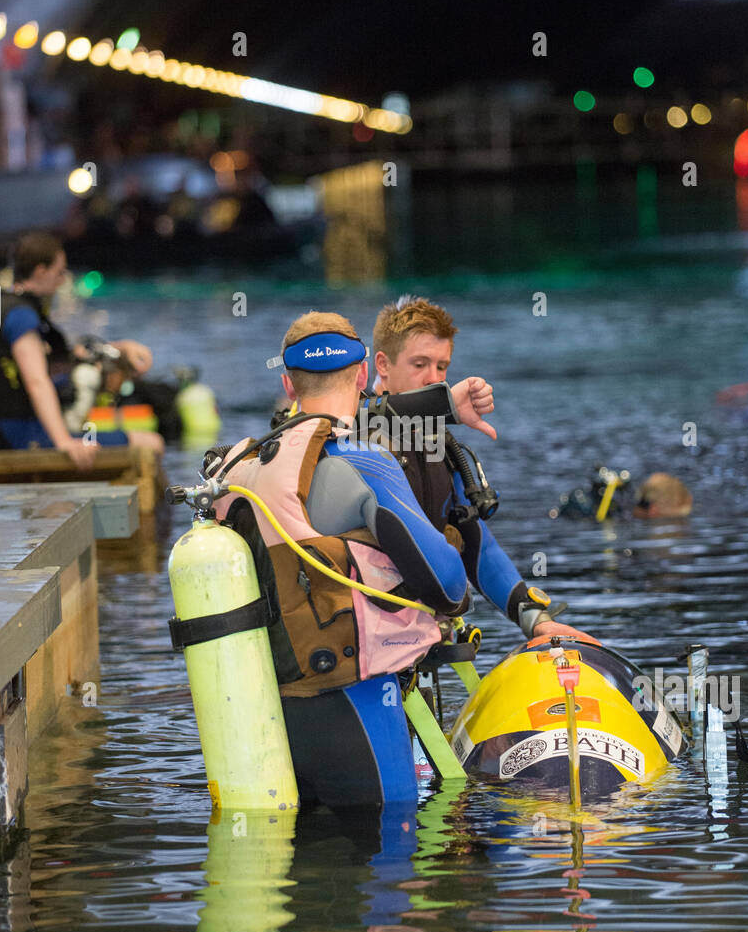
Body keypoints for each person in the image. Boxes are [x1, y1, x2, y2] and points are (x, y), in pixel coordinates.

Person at [208, 311, 470, 807]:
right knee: (388, 854)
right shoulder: (366, 462)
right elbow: (448, 586)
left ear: (288, 384)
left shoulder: (239, 468)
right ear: (365, 374)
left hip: (264, 707)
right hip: (356, 700)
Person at [369, 295, 584, 642]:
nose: (433, 378)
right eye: (419, 364)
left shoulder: (438, 444)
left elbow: (478, 546)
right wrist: (445, 406)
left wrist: (536, 621)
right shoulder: (349, 436)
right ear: (382, 364)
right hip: (366, 644)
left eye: (442, 367)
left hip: (423, 641)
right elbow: (363, 417)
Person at [0, 232, 163, 464]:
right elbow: (36, 381)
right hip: (19, 436)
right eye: (59, 273)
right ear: (41, 271)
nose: (62, 280)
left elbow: (61, 357)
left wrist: (121, 347)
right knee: (151, 443)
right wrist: (63, 442)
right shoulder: (22, 316)